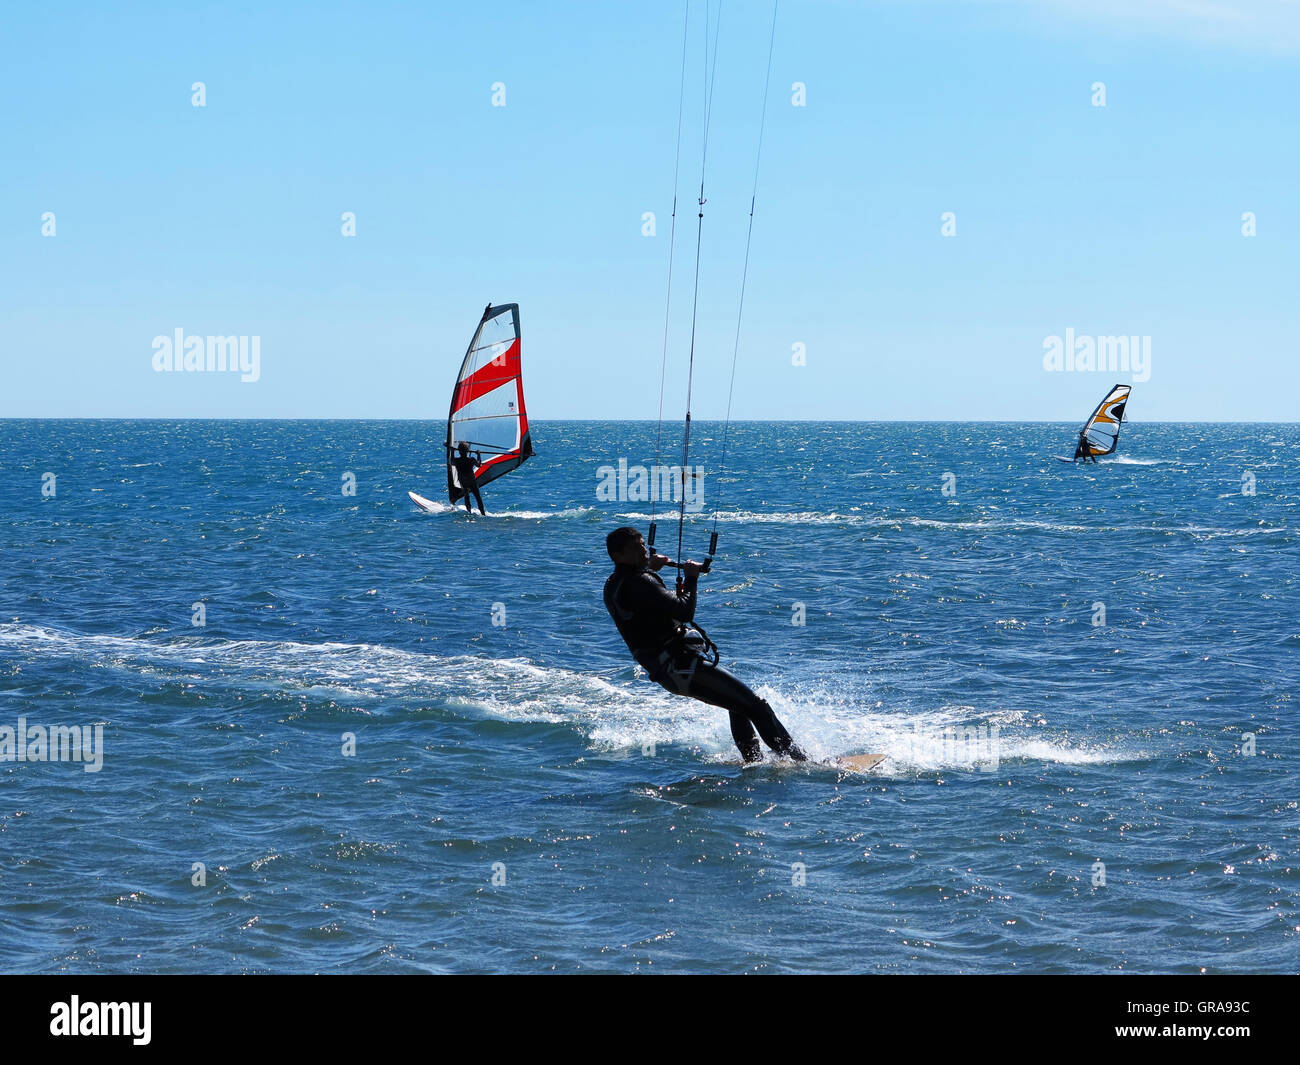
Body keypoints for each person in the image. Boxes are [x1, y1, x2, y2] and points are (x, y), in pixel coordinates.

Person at [602, 526, 807, 764]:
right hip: (682, 666)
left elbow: (642, 602)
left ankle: (753, 764)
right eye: (636, 548)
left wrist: (648, 567)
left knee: (739, 706)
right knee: (757, 706)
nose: (644, 551)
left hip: (670, 670)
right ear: (618, 556)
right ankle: (802, 762)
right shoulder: (640, 582)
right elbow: (684, 610)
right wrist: (691, 577)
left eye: (643, 545)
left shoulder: (614, 583)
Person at [451, 441, 486, 514]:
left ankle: (469, 512)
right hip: (472, 481)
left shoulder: (457, 460)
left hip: (464, 482)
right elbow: (479, 465)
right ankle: (483, 513)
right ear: (467, 451)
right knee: (478, 497)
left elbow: (451, 461)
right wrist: (479, 455)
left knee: (466, 496)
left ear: (459, 451)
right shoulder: (471, 459)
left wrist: (452, 452)